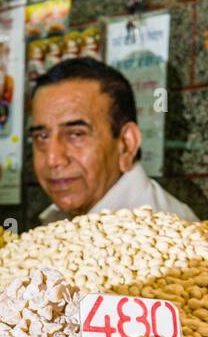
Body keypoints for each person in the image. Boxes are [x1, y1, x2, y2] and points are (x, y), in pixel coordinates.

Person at [29, 58, 195, 223]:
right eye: (41, 137)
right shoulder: (56, 220)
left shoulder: (167, 235)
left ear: (127, 144)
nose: (53, 159)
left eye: (76, 134)